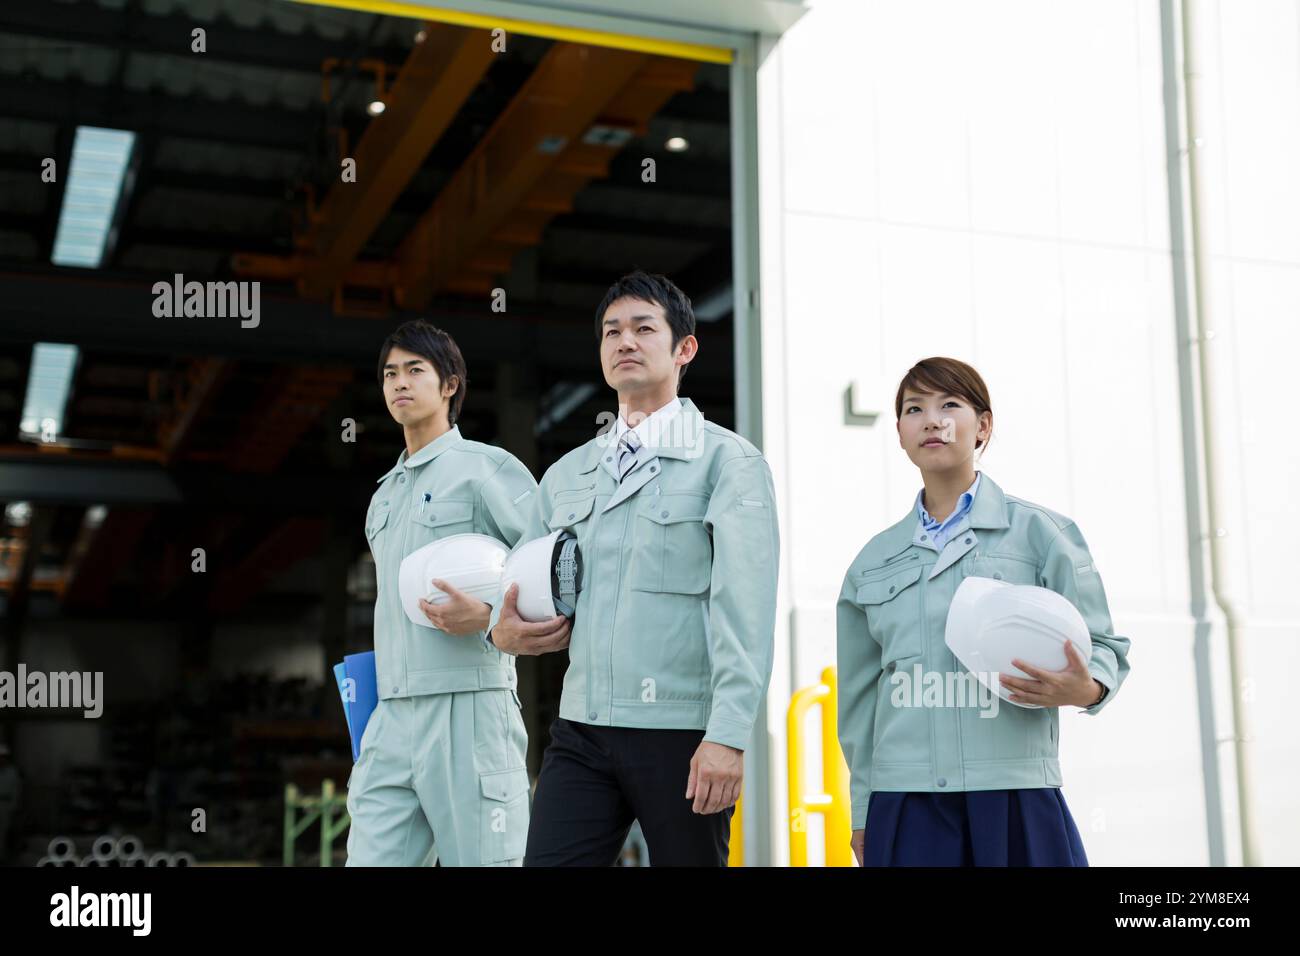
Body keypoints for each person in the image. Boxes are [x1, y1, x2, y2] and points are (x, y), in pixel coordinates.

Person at [488, 270, 780, 866]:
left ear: (684, 349)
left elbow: (744, 609)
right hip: (583, 727)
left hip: (681, 731)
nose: (625, 341)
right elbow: (520, 575)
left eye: (644, 328)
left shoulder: (727, 463)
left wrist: (726, 735)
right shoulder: (569, 473)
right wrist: (502, 626)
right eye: (611, 331)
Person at [836, 356, 1130, 866]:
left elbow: (1104, 646)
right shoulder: (873, 562)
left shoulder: (1044, 536)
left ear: (983, 426)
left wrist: (1087, 688)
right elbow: (859, 704)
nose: (931, 419)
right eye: (913, 408)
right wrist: (863, 809)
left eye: (950, 404)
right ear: (901, 434)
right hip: (907, 802)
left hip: (1015, 794)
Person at [345, 320, 543, 867]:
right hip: (391, 713)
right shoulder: (383, 498)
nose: (399, 383)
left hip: (469, 708)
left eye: (415, 370)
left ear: (450, 384)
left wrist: (486, 615)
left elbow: (552, 568)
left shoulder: (486, 470)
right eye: (390, 373)